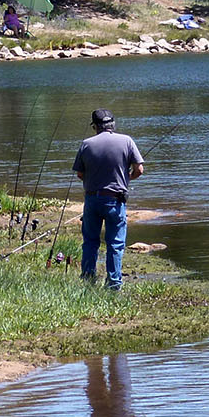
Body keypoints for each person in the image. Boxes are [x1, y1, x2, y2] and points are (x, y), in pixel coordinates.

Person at [72, 108, 144, 292]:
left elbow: (80, 173)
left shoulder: (86, 144)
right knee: (115, 244)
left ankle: (88, 279)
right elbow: (139, 169)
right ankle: (114, 284)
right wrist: (127, 178)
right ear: (113, 124)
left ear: (95, 126)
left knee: (90, 242)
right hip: (115, 200)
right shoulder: (126, 141)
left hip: (92, 200)